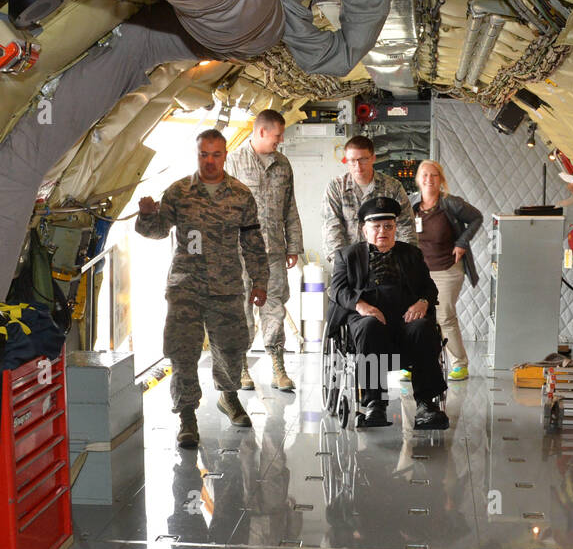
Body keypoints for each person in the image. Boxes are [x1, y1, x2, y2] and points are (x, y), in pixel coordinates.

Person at [137, 129, 268, 447]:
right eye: (203, 154)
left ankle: (228, 396)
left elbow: (252, 243)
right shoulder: (179, 192)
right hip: (186, 286)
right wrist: (146, 215)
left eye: (216, 154)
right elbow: (157, 231)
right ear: (196, 155)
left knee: (231, 348)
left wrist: (260, 281)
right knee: (182, 353)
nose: (210, 161)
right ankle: (186, 418)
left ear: (225, 155)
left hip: (226, 287)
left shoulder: (240, 196)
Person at [326, 196, 448, 430]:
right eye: (376, 226)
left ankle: (426, 405)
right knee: (369, 327)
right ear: (364, 230)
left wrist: (423, 302)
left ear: (395, 229)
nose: (383, 231)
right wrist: (361, 306)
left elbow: (429, 287)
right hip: (367, 318)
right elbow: (338, 289)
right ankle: (374, 403)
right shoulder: (347, 256)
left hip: (406, 319)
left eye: (388, 226)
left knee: (423, 327)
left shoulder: (411, 254)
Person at [228, 108, 303, 394]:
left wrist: (293, 245)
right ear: (261, 131)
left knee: (275, 310)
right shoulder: (233, 162)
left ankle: (277, 366)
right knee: (241, 311)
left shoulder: (282, 164)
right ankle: (241, 367)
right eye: (277, 135)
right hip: (240, 254)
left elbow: (290, 208)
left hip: (273, 252)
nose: (280, 141)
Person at [409, 160, 482, 381]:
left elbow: (477, 217)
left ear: (441, 179)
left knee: (444, 316)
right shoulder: (410, 204)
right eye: (424, 175)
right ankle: (410, 362)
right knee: (413, 316)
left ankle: (459, 365)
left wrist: (462, 243)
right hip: (419, 272)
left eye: (434, 175)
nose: (429, 180)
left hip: (447, 269)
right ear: (418, 179)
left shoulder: (450, 203)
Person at [321, 134, 416, 270]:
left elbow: (406, 226)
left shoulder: (392, 187)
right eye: (352, 161)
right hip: (349, 263)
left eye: (363, 160)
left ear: (373, 158)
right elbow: (332, 227)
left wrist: (404, 261)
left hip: (387, 264)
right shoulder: (336, 187)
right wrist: (341, 263)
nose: (358, 166)